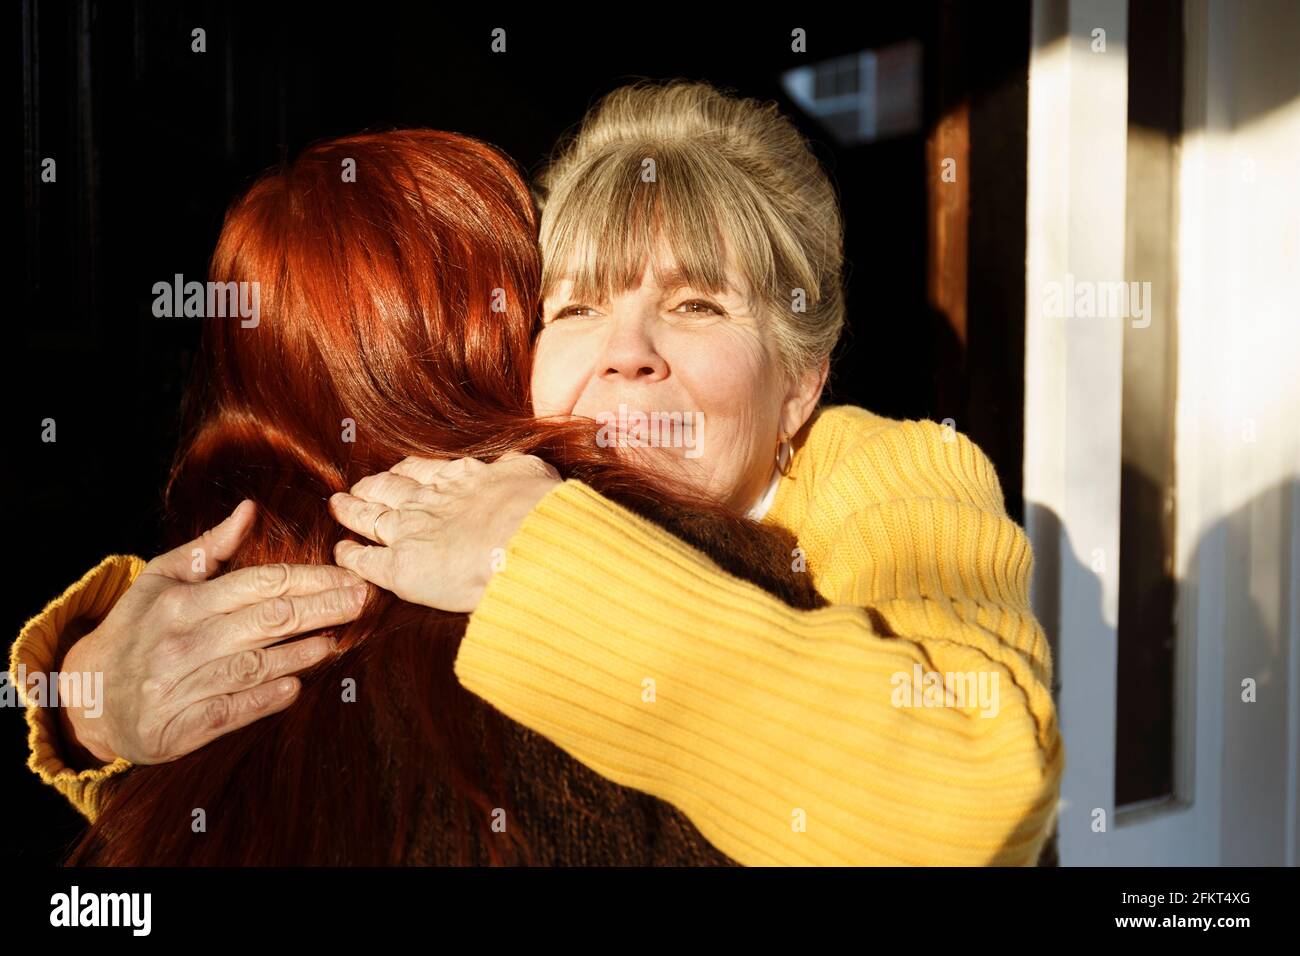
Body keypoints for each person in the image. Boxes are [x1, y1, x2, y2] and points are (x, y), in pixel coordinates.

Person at [14, 80, 1063, 866]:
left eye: (698, 304)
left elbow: (975, 799)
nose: (628, 349)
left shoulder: (887, 478)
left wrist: (539, 555)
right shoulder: (466, 493)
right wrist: (81, 695)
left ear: (798, 386)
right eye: (575, 306)